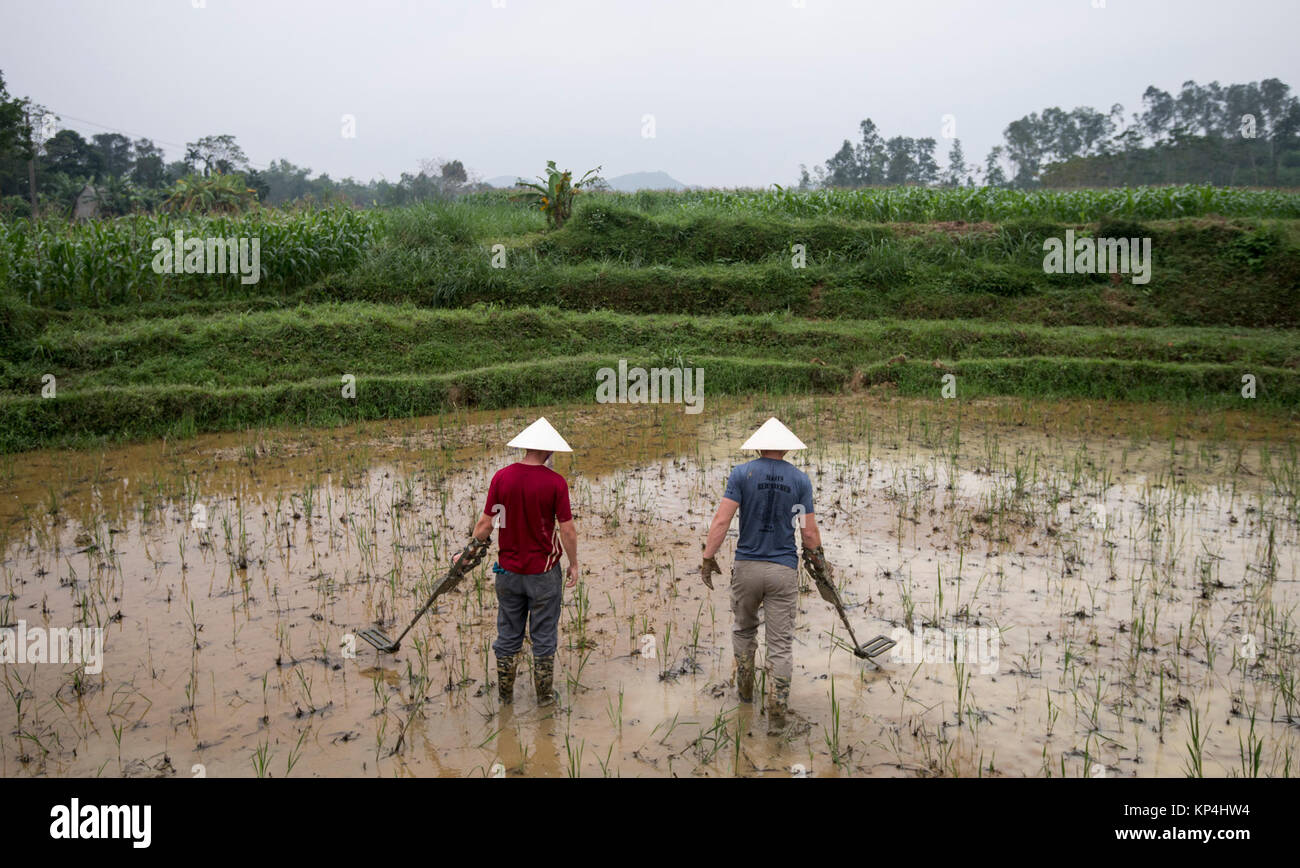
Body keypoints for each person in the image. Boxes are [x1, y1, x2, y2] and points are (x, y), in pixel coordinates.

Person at [700, 417, 831, 734]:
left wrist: (707, 557)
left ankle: (745, 697)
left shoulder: (742, 474)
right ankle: (776, 715)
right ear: (786, 447)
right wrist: (820, 564)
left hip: (746, 568)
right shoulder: (799, 481)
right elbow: (808, 532)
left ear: (758, 445)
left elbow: (722, 520)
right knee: (780, 647)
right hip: (782, 571)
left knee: (744, 631)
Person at [457, 417, 579, 708]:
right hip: (544, 574)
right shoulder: (555, 483)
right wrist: (574, 564)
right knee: (543, 636)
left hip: (508, 573)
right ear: (549, 451)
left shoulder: (502, 477)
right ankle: (545, 700)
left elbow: (487, 524)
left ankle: (505, 698)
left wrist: (466, 554)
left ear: (525, 446)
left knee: (508, 634)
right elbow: (567, 529)